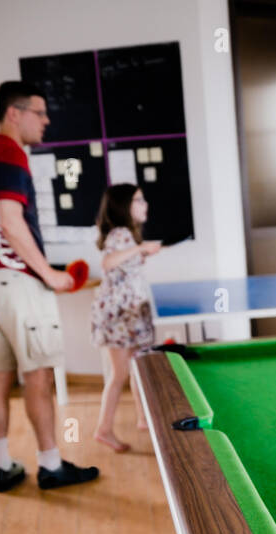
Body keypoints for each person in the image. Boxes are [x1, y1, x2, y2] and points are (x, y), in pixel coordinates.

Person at [0, 80, 99, 492]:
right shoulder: (8, 150)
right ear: (14, 113)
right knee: (37, 376)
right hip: (17, 283)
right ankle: (52, 466)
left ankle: (2, 466)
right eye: (39, 112)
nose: (47, 120)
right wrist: (50, 275)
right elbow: (9, 219)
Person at [90, 184, 162, 452]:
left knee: (137, 367)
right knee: (120, 374)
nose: (145, 204)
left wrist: (142, 249)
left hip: (129, 316)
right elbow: (108, 263)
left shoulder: (127, 236)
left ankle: (144, 418)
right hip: (119, 317)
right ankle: (104, 429)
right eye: (139, 200)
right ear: (124, 206)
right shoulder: (121, 234)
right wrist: (140, 248)